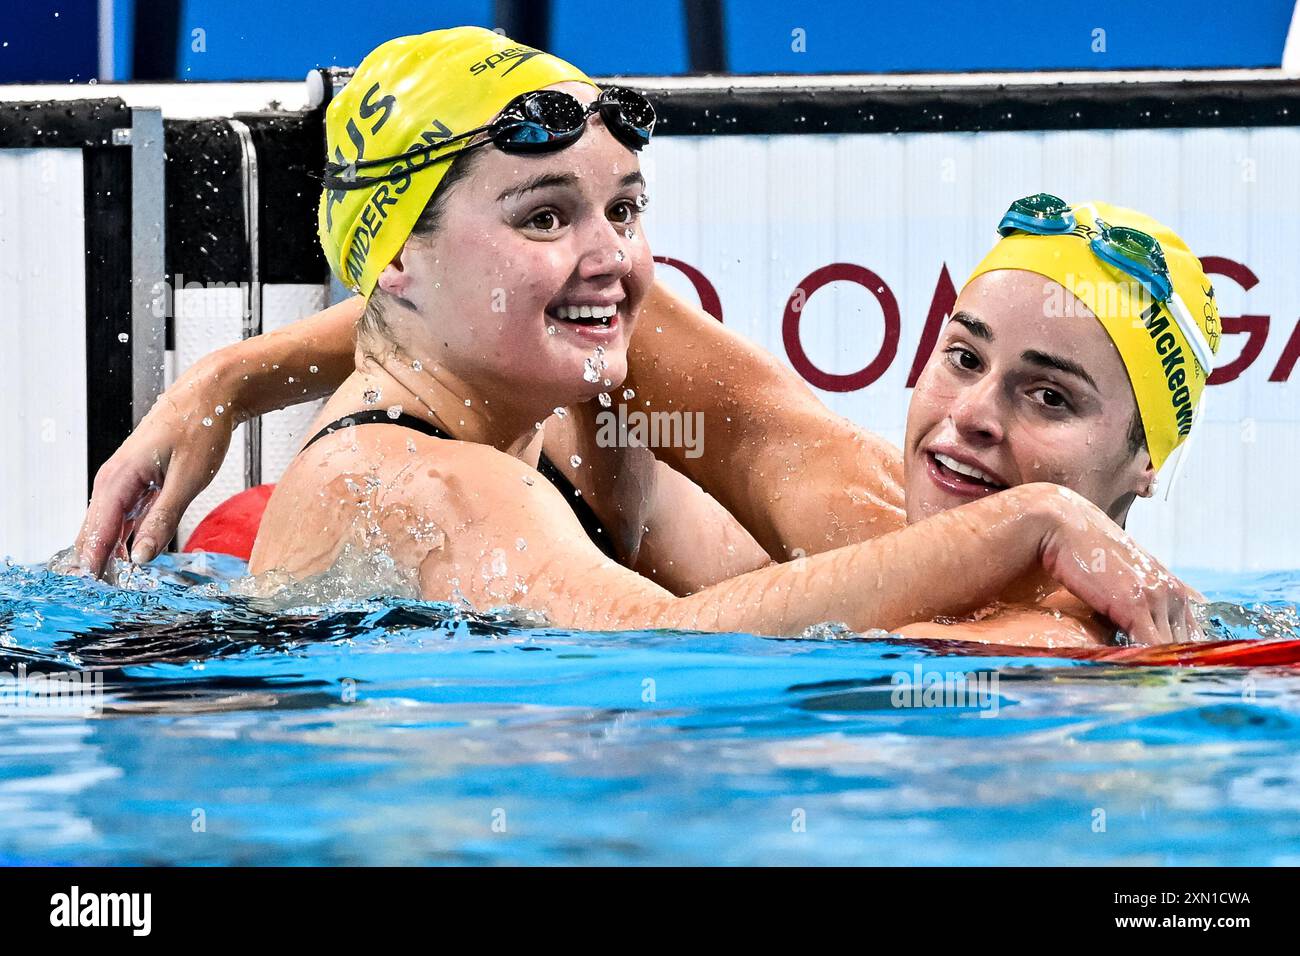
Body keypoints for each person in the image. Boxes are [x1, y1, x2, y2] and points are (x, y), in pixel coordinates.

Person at [73, 28, 1212, 646]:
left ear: (1143, 462)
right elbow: (669, 645)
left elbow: (468, 301)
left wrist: (228, 378)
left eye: (624, 207)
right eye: (545, 214)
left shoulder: (591, 358)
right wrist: (1038, 517)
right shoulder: (426, 485)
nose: (608, 257)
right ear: (400, 256)